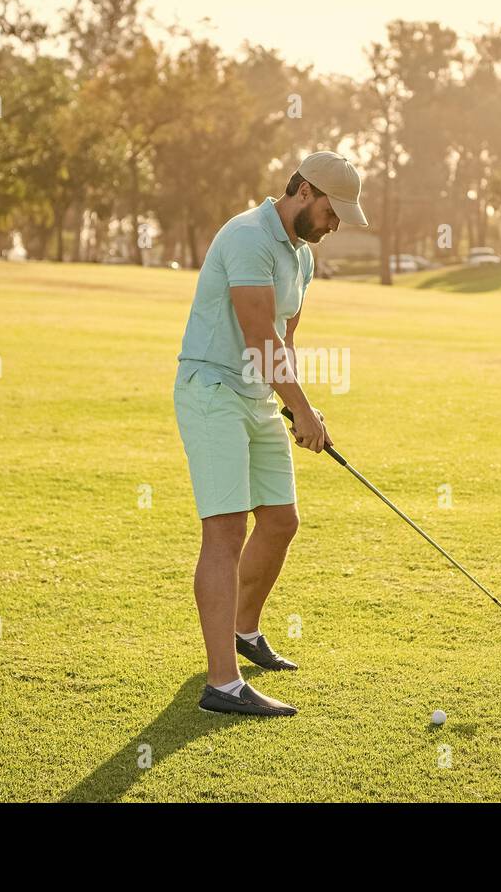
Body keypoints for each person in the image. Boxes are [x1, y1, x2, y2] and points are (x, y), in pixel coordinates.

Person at [173, 151, 368, 717]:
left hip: (255, 396)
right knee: (226, 530)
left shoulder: (301, 257)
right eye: (333, 213)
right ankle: (222, 685)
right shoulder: (247, 237)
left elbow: (285, 338)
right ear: (304, 191)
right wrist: (303, 412)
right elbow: (259, 335)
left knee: (281, 518)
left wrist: (292, 404)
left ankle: (243, 630)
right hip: (212, 390)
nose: (335, 227)